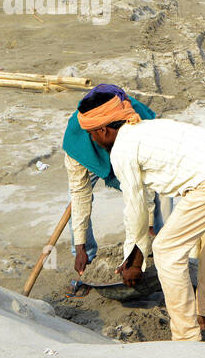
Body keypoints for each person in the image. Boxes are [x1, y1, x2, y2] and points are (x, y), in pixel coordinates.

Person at [78, 94, 205, 341]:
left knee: (166, 249)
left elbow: (135, 207)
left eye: (92, 134)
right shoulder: (147, 127)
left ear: (103, 131)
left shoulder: (122, 148)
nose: (93, 140)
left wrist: (134, 260)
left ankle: (185, 336)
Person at [62, 84, 163, 279]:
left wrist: (146, 229)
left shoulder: (137, 127)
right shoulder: (78, 141)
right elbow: (79, 193)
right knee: (76, 205)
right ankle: (85, 258)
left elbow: (145, 187)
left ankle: (152, 249)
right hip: (91, 153)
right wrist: (80, 245)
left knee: (153, 207)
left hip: (138, 159)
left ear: (106, 131)